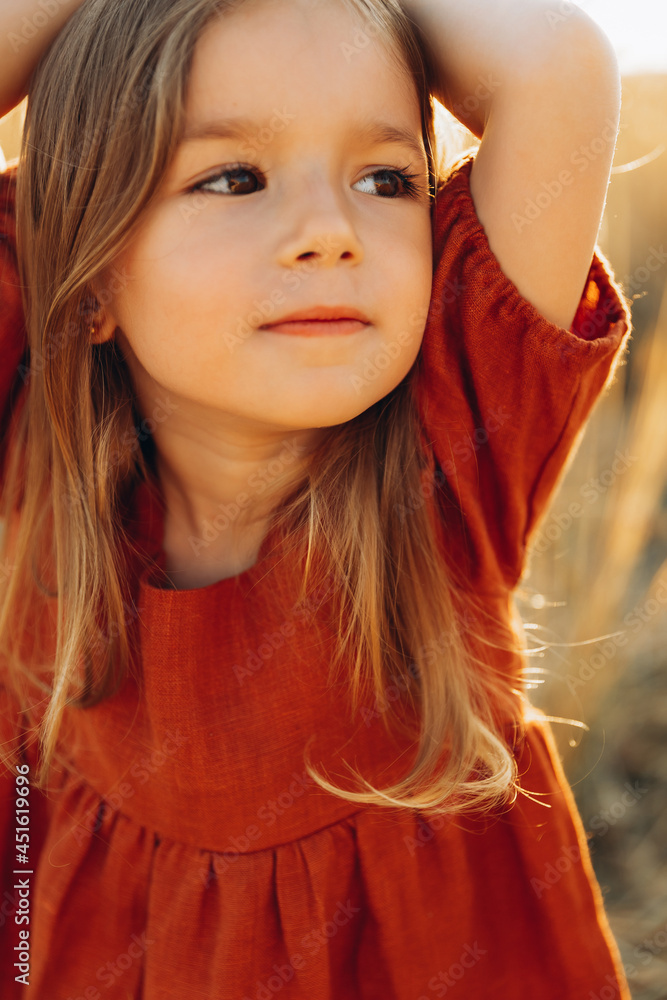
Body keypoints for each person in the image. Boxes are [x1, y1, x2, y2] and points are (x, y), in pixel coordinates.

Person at [0, 0, 634, 996]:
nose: (332, 232)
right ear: (88, 286)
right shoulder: (32, 437)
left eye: (386, 179)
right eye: (235, 178)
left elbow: (555, 70)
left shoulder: (450, 457)